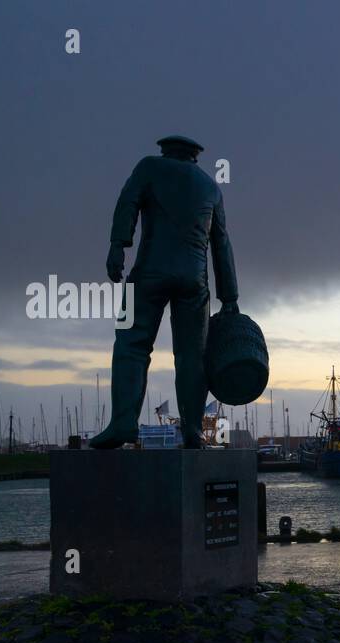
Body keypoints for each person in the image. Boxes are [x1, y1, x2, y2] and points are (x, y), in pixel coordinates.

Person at [90, 135, 238, 449]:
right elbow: (222, 244)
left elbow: (127, 202)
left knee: (130, 342)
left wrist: (118, 245)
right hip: (194, 281)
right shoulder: (211, 187)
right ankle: (193, 430)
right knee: (191, 357)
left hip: (147, 273)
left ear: (165, 150)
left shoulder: (149, 167)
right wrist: (230, 297)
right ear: (195, 157)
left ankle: (123, 423)